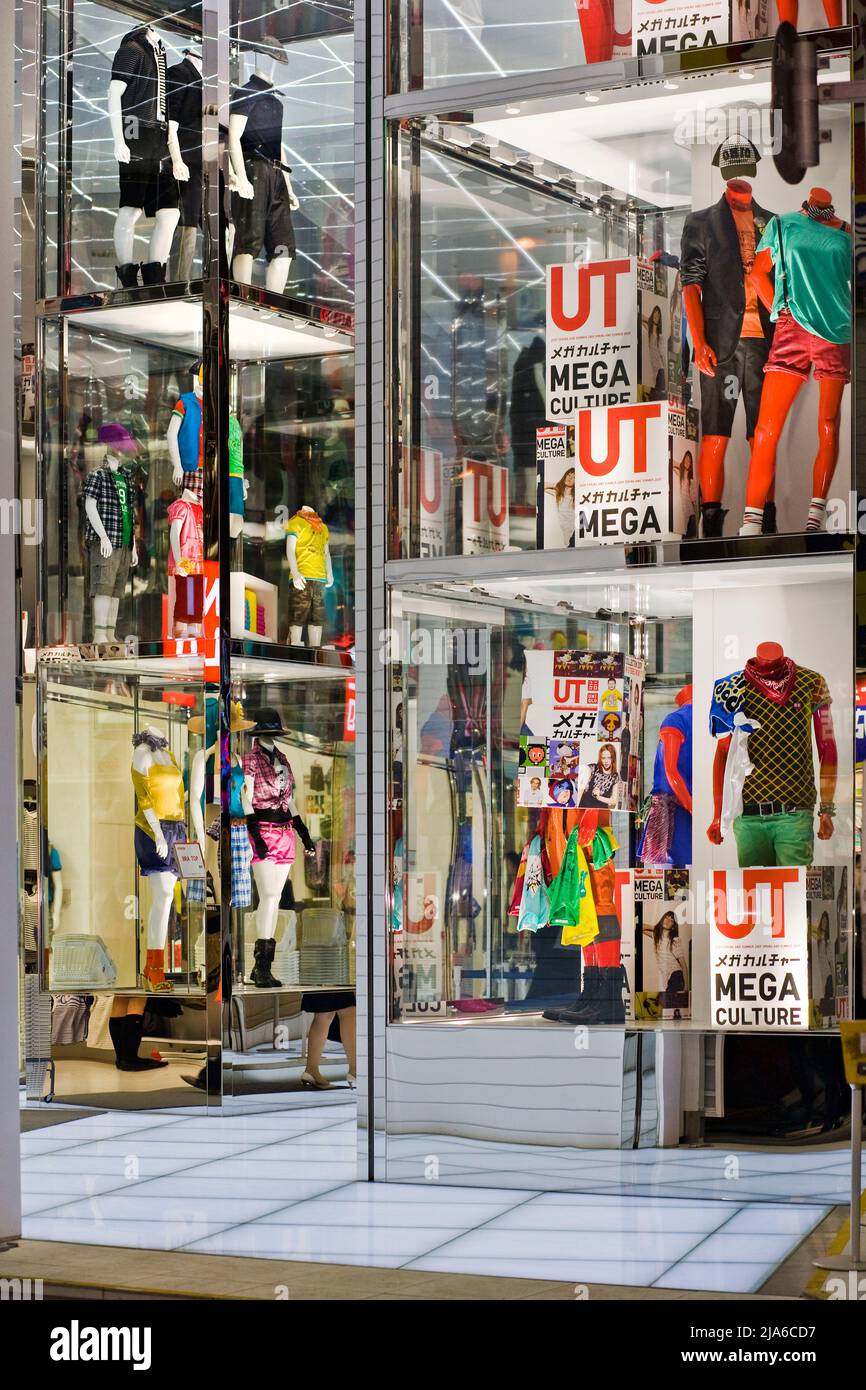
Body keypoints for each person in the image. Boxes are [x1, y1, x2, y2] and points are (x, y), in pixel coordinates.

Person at [301, 991, 356, 1090]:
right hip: (331, 977)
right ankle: (355, 1069)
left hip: (320, 978)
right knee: (347, 1010)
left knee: (324, 1013)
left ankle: (311, 1070)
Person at [652, 910, 689, 1015]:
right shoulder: (657, 936)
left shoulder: (674, 940)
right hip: (668, 979)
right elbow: (642, 927)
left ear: (673, 926)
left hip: (676, 976)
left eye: (671, 920)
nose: (668, 921)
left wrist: (686, 987)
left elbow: (683, 965)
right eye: (667, 917)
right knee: (669, 1009)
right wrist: (656, 928)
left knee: (669, 1009)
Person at [579, 744, 620, 809]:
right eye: (603, 758)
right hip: (584, 809)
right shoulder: (593, 768)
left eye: (609, 757)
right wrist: (577, 807)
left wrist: (599, 797)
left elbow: (614, 801)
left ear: (613, 758)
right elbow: (580, 789)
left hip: (600, 812)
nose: (606, 761)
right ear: (600, 758)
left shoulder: (615, 776)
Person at [544, 466, 575, 546]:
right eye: (568, 475)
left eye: (574, 477)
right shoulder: (559, 493)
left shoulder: (576, 496)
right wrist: (558, 485)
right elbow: (543, 486)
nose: (570, 478)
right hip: (562, 531)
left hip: (573, 530)